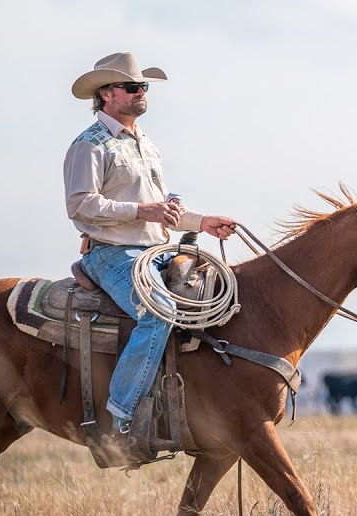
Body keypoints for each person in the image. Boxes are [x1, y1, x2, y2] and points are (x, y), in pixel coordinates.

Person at [64, 52, 236, 459]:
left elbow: (159, 208)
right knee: (157, 311)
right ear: (107, 95)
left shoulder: (146, 145)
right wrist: (144, 212)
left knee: (217, 299)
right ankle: (118, 422)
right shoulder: (88, 145)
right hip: (110, 253)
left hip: (154, 249)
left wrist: (201, 220)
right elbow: (80, 205)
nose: (141, 93)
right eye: (132, 87)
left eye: (144, 87)